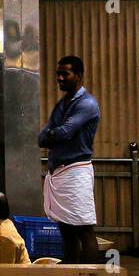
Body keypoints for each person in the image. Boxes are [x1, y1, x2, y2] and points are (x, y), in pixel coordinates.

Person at [38, 55, 102, 263]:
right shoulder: (62, 104)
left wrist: (53, 135)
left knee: (83, 228)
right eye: (58, 73)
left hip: (76, 171)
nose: (60, 78)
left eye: (65, 73)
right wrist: (53, 134)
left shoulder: (87, 104)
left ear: (79, 76)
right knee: (66, 229)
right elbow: (42, 137)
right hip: (60, 172)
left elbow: (64, 132)